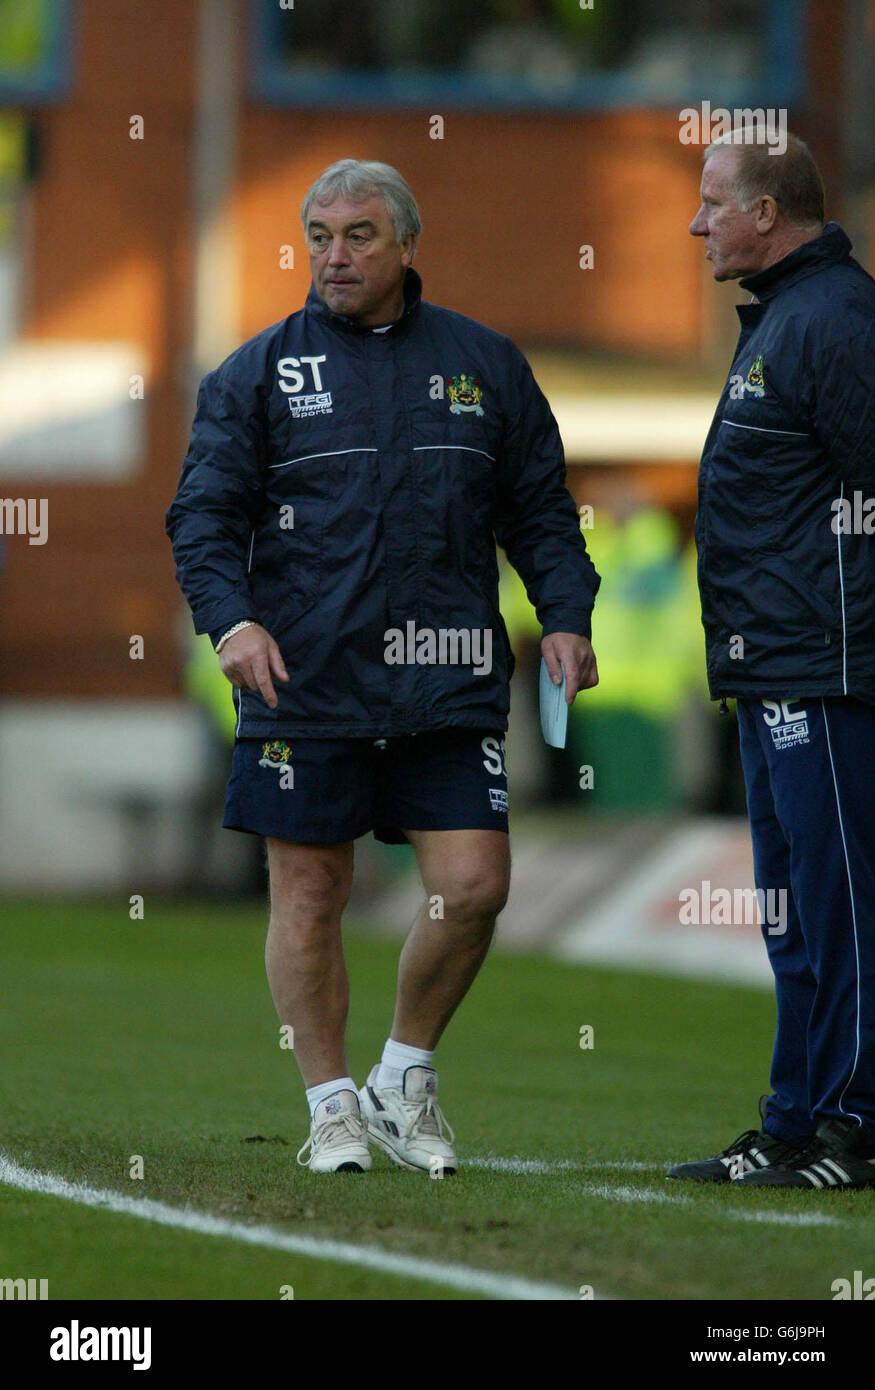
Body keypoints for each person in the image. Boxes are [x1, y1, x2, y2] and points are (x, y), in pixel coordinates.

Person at [166, 159, 599, 1175]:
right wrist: (229, 624)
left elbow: (540, 511)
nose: (334, 254)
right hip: (303, 684)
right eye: (318, 235)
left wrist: (566, 618)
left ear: (408, 242)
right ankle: (329, 1108)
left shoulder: (484, 364)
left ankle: (401, 1079)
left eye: (357, 234)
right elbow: (201, 516)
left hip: (444, 679)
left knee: (475, 884)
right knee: (309, 893)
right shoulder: (258, 372)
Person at [669, 131, 875, 1190]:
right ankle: (792, 1120)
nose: (695, 225)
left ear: (764, 212)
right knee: (793, 910)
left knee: (840, 905)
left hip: (826, 673)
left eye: (711, 204)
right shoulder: (785, 320)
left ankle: (852, 1125)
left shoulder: (833, 320)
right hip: (769, 670)